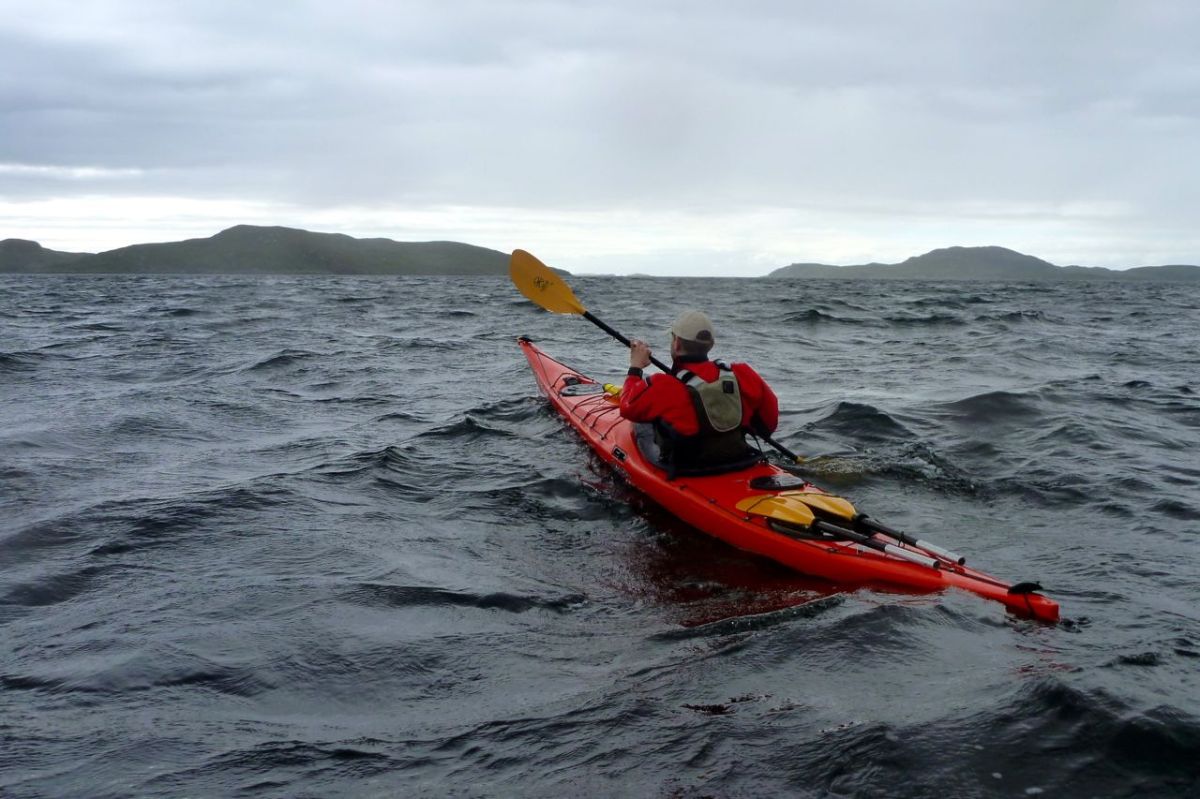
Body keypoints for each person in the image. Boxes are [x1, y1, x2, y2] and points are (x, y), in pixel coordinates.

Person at [620, 309, 779, 475]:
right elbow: (769, 425)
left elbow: (626, 406)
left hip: (689, 470)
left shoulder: (663, 385)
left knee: (641, 422)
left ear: (677, 344)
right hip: (740, 460)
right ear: (711, 345)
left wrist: (635, 367)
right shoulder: (743, 373)